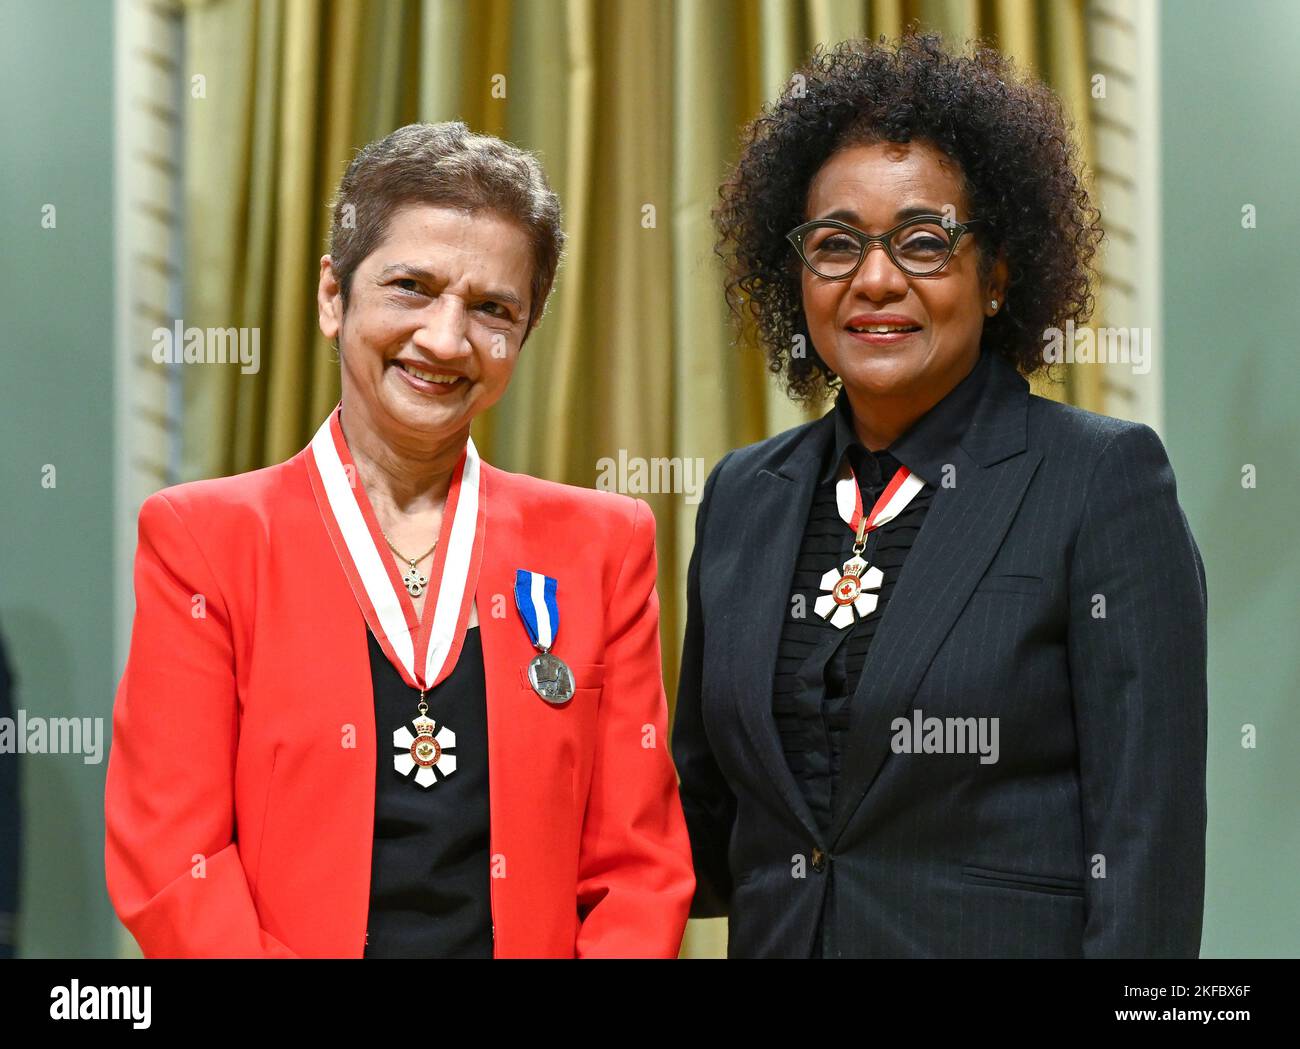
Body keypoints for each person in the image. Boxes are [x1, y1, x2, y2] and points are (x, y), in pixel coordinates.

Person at [672, 34, 1207, 958]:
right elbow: (703, 830)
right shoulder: (742, 496)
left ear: (996, 274)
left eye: (924, 241)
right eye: (836, 245)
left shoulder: (1101, 481)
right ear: (793, 274)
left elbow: (1146, 852)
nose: (875, 279)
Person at [105, 122, 694, 958]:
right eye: (412, 287)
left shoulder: (603, 544)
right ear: (332, 296)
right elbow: (173, 860)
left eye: (493, 309)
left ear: (521, 337)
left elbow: (640, 866)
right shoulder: (204, 540)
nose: (447, 340)